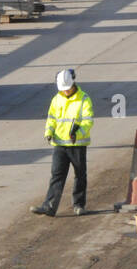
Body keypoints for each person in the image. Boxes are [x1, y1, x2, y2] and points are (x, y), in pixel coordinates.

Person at [30, 69, 94, 217]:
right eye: (63, 89)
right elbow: (51, 118)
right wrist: (48, 132)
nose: (65, 91)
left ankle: (79, 205)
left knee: (80, 175)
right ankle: (49, 207)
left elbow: (88, 121)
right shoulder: (56, 99)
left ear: (73, 84)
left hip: (77, 144)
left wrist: (77, 133)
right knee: (56, 175)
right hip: (59, 144)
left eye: (68, 88)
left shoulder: (84, 99)